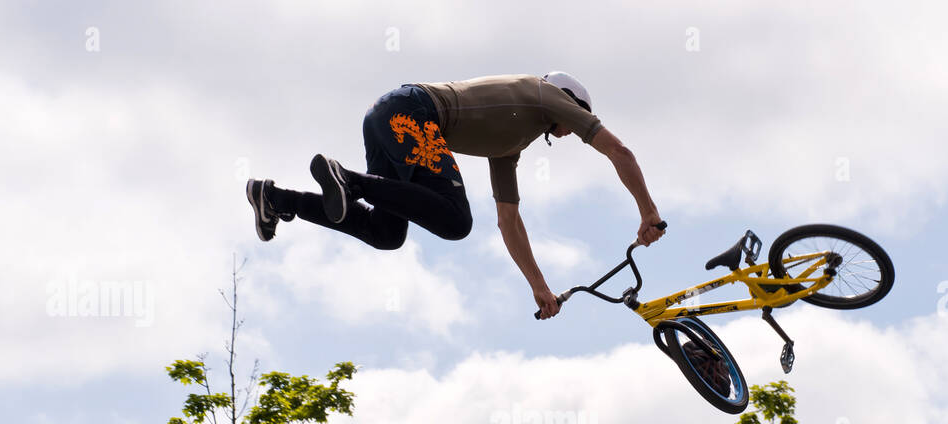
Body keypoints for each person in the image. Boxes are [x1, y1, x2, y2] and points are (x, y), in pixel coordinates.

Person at [246, 72, 665, 319]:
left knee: (386, 231)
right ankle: (349, 180)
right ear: (571, 102)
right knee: (455, 220)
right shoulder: (546, 96)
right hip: (413, 112)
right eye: (577, 119)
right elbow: (619, 150)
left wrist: (539, 286)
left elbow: (508, 220)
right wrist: (649, 213)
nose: (573, 130)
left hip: (384, 117)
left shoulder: (510, 143)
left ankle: (278, 199)